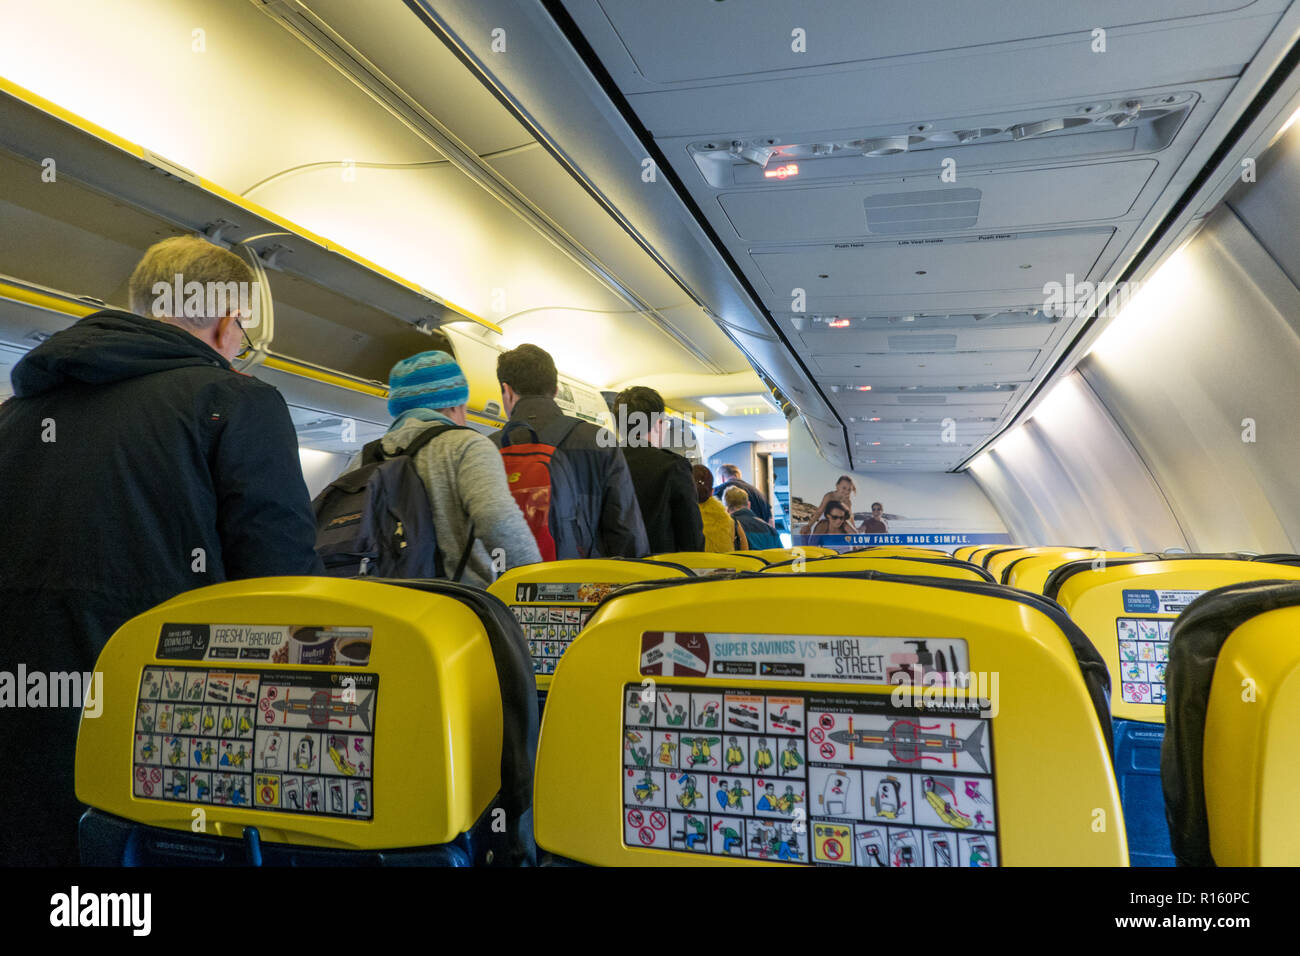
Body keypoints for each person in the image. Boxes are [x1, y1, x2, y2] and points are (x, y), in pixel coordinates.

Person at [0, 235, 322, 865]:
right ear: (230, 323)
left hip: (19, 744)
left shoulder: (16, 415)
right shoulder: (236, 402)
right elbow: (285, 594)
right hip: (168, 757)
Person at [341, 350, 541, 586]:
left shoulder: (363, 458)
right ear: (455, 405)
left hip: (377, 607)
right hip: (452, 607)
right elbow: (499, 522)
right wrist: (535, 587)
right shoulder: (467, 445)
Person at [492, 344, 648, 558]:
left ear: (507, 391)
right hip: (582, 582)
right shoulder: (599, 441)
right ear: (555, 391)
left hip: (507, 583)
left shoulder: (489, 447)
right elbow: (625, 528)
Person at [612, 386, 704, 554]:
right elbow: (691, 535)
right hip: (661, 572)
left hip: (614, 571)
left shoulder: (606, 464)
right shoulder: (674, 467)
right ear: (658, 423)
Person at [693, 464, 744, 552]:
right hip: (726, 565)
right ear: (712, 491)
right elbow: (745, 554)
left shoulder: (675, 519)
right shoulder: (732, 522)